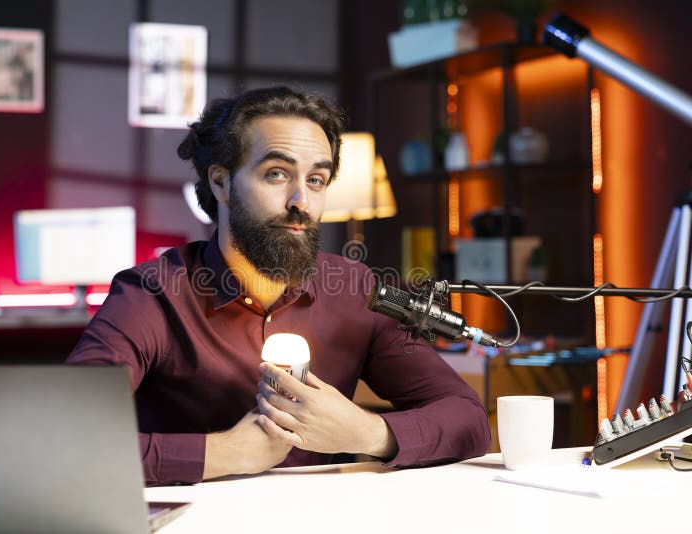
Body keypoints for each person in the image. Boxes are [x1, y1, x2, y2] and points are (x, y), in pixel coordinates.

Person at [66, 86, 490, 486]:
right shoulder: (151, 295)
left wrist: (366, 432)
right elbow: (64, 436)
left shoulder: (357, 289)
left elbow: (469, 420)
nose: (300, 202)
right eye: (276, 174)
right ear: (221, 182)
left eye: (316, 180)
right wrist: (226, 453)